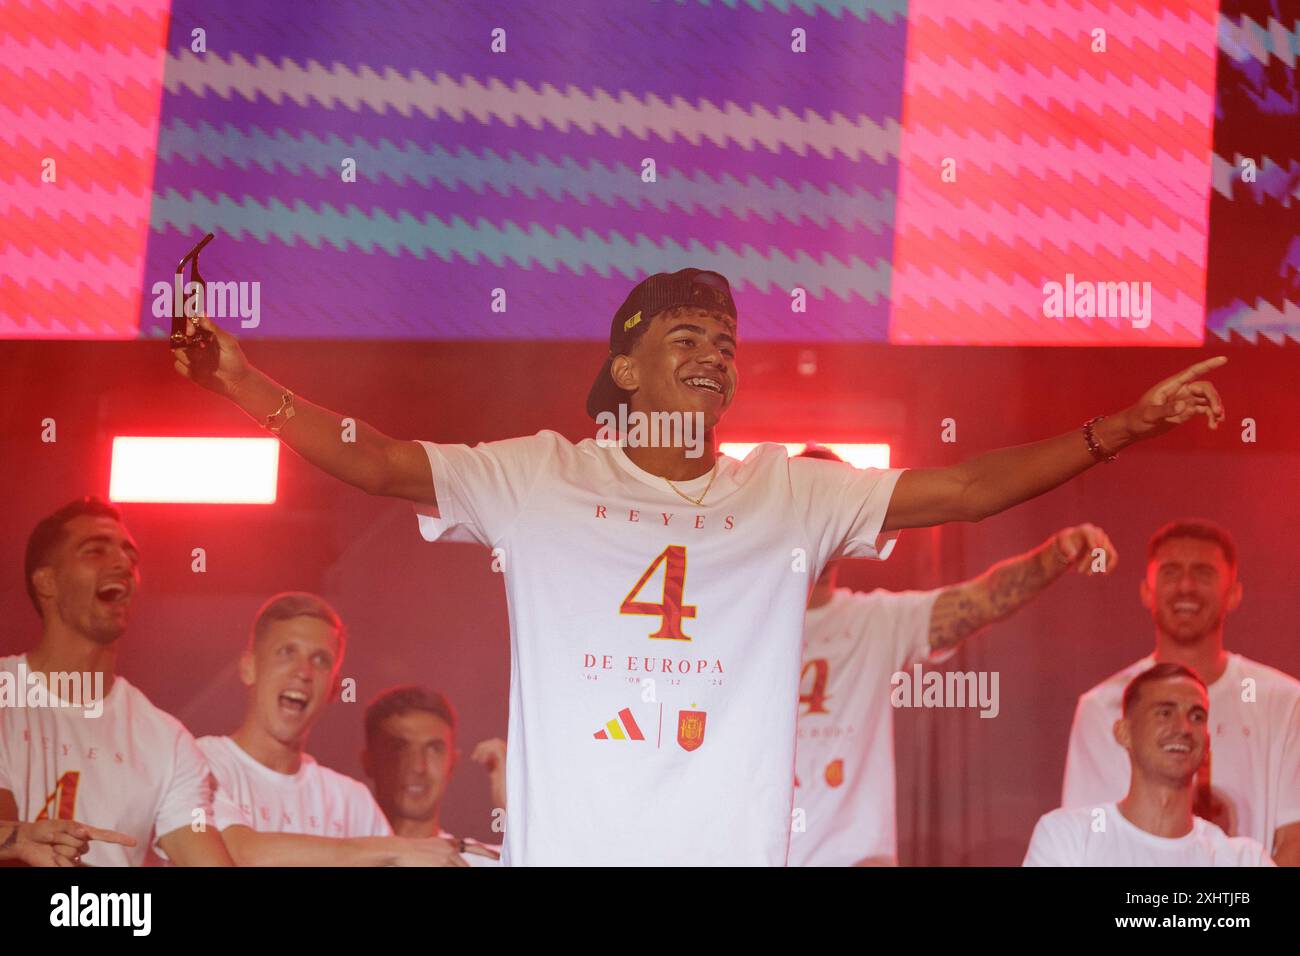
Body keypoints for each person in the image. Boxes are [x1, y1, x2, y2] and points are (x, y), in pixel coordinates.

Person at [173, 266, 1226, 864]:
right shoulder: (540, 474)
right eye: (686, 333)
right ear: (623, 366)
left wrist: (1117, 426)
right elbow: (389, 464)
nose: (715, 349)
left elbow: (955, 489)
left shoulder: (785, 490)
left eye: (725, 338)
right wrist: (244, 384)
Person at [793, 446, 1118, 866]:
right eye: (809, 501)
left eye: (835, 504)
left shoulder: (875, 621)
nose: (823, 518)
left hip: (854, 859)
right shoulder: (731, 613)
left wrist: (1055, 555)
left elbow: (982, 601)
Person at [1, 497, 233, 866]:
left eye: (131, 556)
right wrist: (18, 840)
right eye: (94, 551)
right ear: (46, 582)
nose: (122, 563)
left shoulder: (168, 741)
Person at [1062, 520, 1300, 864]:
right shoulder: (1104, 707)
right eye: (1171, 572)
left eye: (1203, 573)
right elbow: (1093, 843)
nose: (1186, 586)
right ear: (1147, 590)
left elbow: (1295, 838)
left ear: (1233, 593)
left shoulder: (1285, 702)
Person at [199, 592, 483, 865]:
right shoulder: (202, 762)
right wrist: (394, 849)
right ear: (249, 667)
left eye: (320, 660)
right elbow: (238, 855)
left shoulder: (350, 800)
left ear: (334, 688)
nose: (303, 672)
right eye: (287, 653)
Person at [1027, 663, 1274, 866]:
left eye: (1196, 717)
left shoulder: (1245, 860)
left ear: (1207, 740)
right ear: (1123, 732)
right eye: (1165, 713)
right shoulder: (1068, 837)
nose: (1183, 728)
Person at [362, 685, 504, 865]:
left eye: (434, 749)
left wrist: (515, 804)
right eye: (398, 748)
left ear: (453, 762)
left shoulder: (482, 860)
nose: (418, 766)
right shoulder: (334, 850)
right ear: (368, 761)